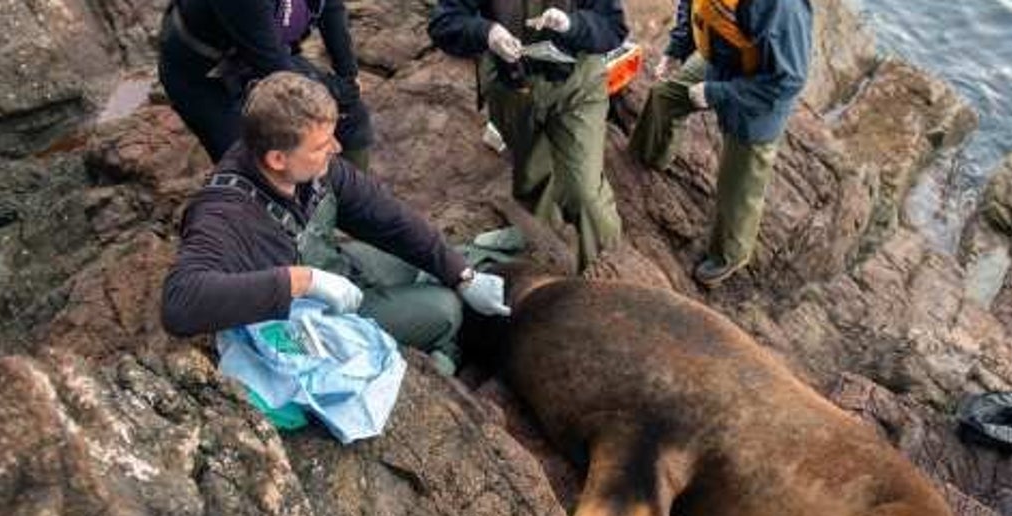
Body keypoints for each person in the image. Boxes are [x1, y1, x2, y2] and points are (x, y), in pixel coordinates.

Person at [161, 72, 510, 370]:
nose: (337, 149)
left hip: (338, 267)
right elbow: (180, 303)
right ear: (277, 158)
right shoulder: (225, 214)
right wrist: (301, 281)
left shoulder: (313, 166)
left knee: (431, 264)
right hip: (308, 323)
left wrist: (463, 275)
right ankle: (443, 355)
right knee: (444, 310)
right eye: (321, 145)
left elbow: (388, 217)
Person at [428, 0, 627, 270]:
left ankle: (610, 280)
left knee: (583, 194)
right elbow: (443, 23)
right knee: (533, 178)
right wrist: (486, 32)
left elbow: (613, 27)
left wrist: (572, 24)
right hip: (510, 86)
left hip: (577, 87)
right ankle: (547, 263)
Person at [628, 0, 812, 287]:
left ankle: (729, 257)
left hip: (760, 92)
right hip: (721, 57)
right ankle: (651, 153)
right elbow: (691, 5)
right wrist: (677, 48)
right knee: (665, 97)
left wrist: (717, 92)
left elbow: (786, 81)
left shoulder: (781, 6)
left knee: (739, 186)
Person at [158, 0, 374, 169]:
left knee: (351, 116)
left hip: (263, 53)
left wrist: (348, 75)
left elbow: (330, 8)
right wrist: (332, 93)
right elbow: (275, 67)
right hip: (205, 79)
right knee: (253, 165)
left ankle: (347, 205)